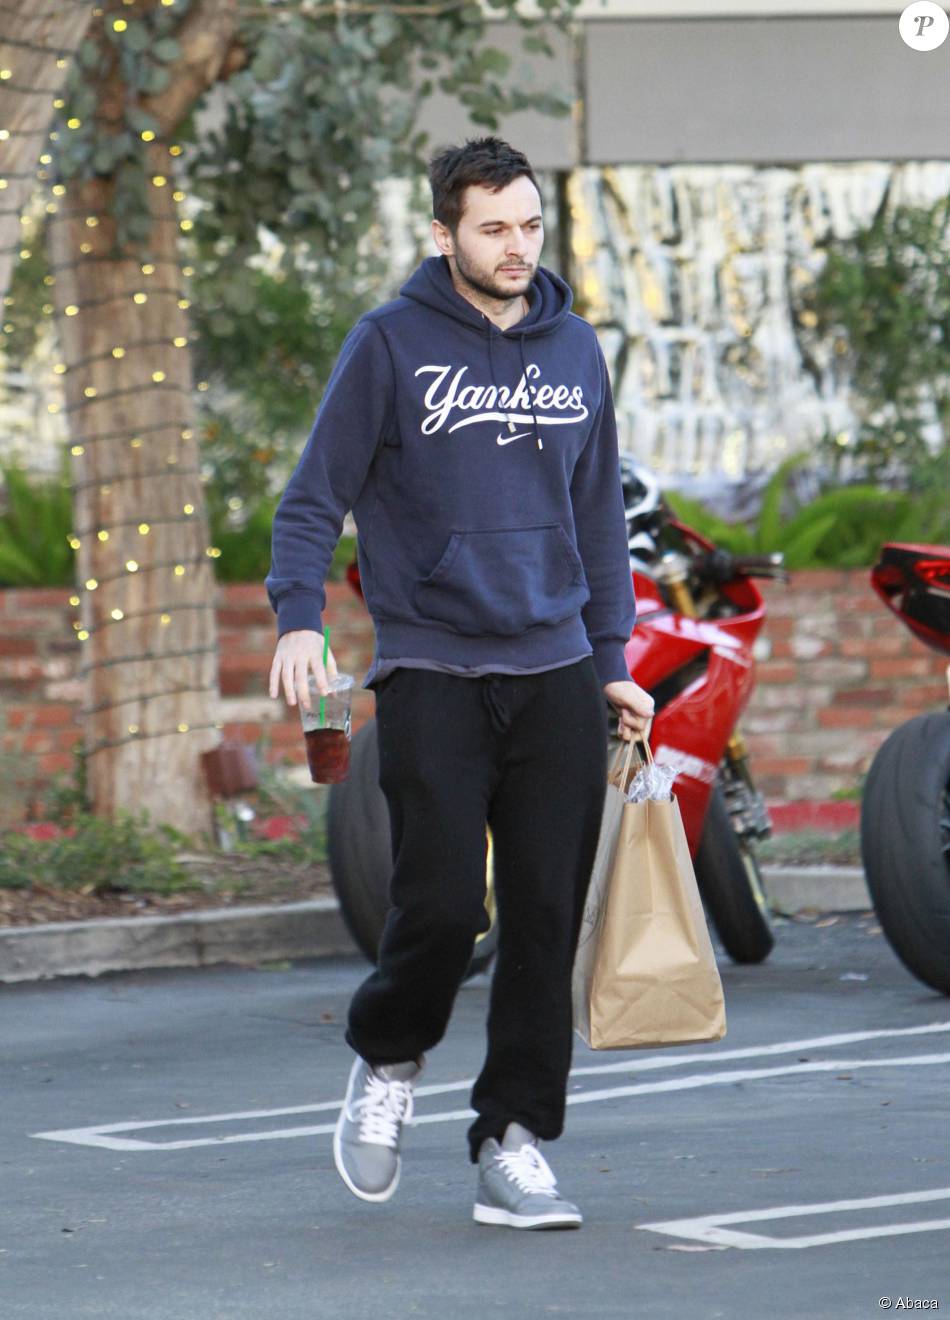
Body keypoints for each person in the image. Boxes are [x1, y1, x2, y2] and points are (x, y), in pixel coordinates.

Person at [266, 136, 654, 1231]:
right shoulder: (389, 344)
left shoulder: (573, 347)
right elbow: (312, 498)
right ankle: (389, 1056)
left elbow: (596, 519)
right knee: (438, 908)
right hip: (432, 664)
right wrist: (298, 620)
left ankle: (511, 1140)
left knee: (543, 917)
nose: (516, 246)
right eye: (492, 228)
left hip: (555, 671)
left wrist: (611, 663)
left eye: (529, 225)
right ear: (444, 235)